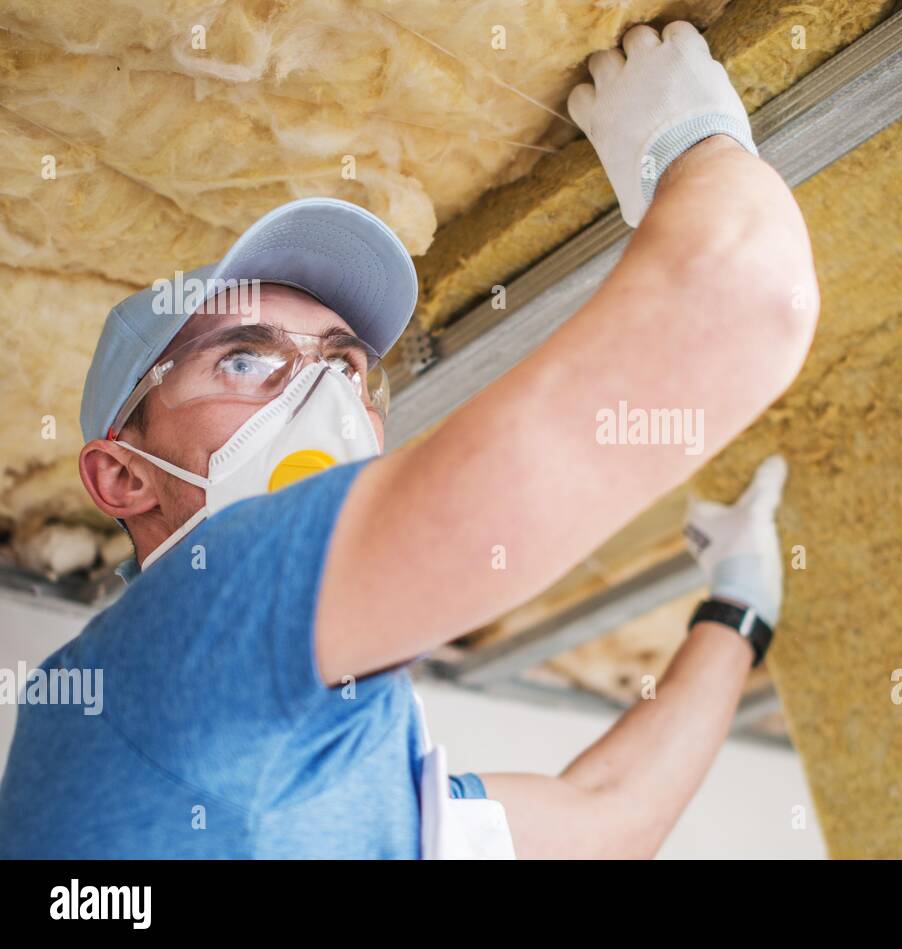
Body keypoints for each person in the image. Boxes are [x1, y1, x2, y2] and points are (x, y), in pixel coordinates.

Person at [0, 21, 818, 858]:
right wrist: (686, 152)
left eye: (349, 367)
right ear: (123, 477)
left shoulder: (338, 769)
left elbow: (607, 814)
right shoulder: (186, 639)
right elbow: (746, 298)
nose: (329, 395)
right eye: (246, 358)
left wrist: (741, 604)